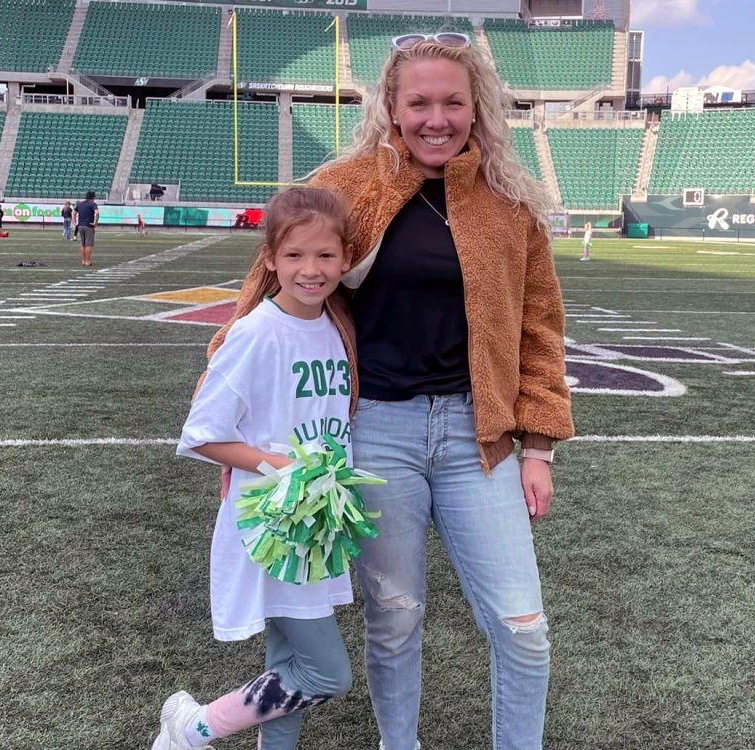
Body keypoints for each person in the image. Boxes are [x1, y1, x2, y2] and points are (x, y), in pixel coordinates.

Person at [209, 32, 573, 750]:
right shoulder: (348, 189)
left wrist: (540, 448)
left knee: (522, 626)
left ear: (478, 109)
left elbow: (540, 331)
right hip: (374, 433)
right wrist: (238, 443)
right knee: (395, 616)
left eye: (452, 103)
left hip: (483, 439)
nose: (436, 119)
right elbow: (266, 300)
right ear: (392, 107)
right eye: (419, 103)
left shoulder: (511, 204)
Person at [152, 188, 356, 750]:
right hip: (272, 525)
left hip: (317, 525)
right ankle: (193, 728)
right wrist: (282, 465)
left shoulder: (338, 326)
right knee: (325, 674)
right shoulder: (255, 332)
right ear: (269, 259)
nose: (310, 270)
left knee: (286, 661)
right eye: (294, 256)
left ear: (345, 258)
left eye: (324, 256)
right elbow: (204, 433)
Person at [75, 191, 99, 266]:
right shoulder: (93, 204)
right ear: (93, 197)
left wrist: (74, 222)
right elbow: (97, 213)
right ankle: (87, 261)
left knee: (83, 244)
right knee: (88, 244)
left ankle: (83, 260)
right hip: (88, 226)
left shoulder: (80, 204)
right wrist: (95, 222)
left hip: (80, 225)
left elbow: (73, 212)